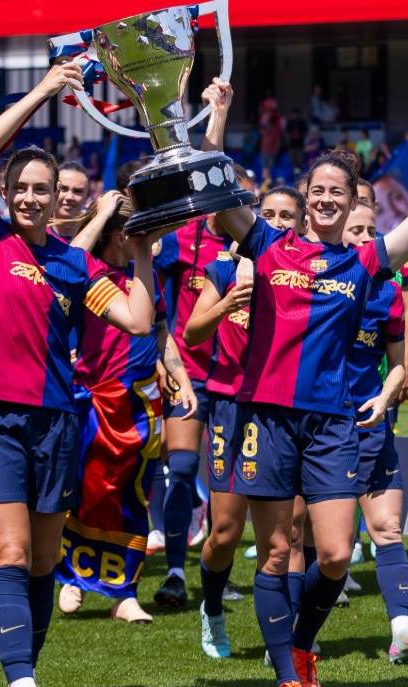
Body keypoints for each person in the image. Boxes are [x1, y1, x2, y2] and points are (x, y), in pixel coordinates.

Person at [212, 84, 408, 687]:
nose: (328, 198)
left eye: (340, 191)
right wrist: (221, 114)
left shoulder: (365, 262)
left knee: (334, 555)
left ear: (351, 200)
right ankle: (285, 676)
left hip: (334, 423)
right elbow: (219, 188)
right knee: (279, 553)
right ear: (305, 199)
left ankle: (303, 645)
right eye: (319, 190)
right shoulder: (267, 245)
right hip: (268, 419)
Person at [0, 61, 161, 687]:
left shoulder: (72, 265)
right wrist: (49, 90)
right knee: (11, 555)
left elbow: (137, 320)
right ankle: (22, 685)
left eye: (41, 190)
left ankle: (24, 676)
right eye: (20, 187)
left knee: (45, 563)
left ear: (58, 200)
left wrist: (140, 253)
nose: (29, 197)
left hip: (56, 421)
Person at [55, 194, 195, 624]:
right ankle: (75, 580)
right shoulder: (90, 272)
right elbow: (64, 263)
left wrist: (182, 378)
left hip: (141, 401)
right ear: (122, 236)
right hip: (94, 398)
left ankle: (124, 592)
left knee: (133, 495)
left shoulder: (144, 276)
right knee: (82, 493)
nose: (156, 243)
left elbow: (160, 332)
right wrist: (98, 217)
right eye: (146, 233)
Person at [185, 185, 305, 659]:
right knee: (225, 533)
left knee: (286, 535)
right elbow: (194, 332)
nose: (276, 222)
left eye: (286, 216)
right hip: (231, 408)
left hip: (282, 410)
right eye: (268, 213)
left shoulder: (304, 276)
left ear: (299, 225)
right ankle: (212, 607)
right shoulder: (223, 269)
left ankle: (291, 641)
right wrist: (228, 304)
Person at [341, 203, 408, 662]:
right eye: (355, 230)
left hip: (370, 420)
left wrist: (386, 395)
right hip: (315, 426)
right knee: (318, 546)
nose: (366, 237)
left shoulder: (386, 289)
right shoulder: (308, 281)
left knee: (386, 527)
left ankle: (401, 630)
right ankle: (294, 641)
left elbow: (398, 361)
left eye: (370, 229)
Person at [148, 79, 235, 608]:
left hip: (239, 378)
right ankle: (175, 571)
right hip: (190, 374)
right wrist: (165, 356)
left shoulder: (257, 246)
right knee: (181, 470)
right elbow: (156, 305)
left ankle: (218, 578)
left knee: (232, 486)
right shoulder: (182, 240)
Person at [48, 161, 91, 241]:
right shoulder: (35, 234)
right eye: (63, 189)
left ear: (87, 197)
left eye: (77, 191)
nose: (69, 197)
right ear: (52, 191)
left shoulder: (95, 239)